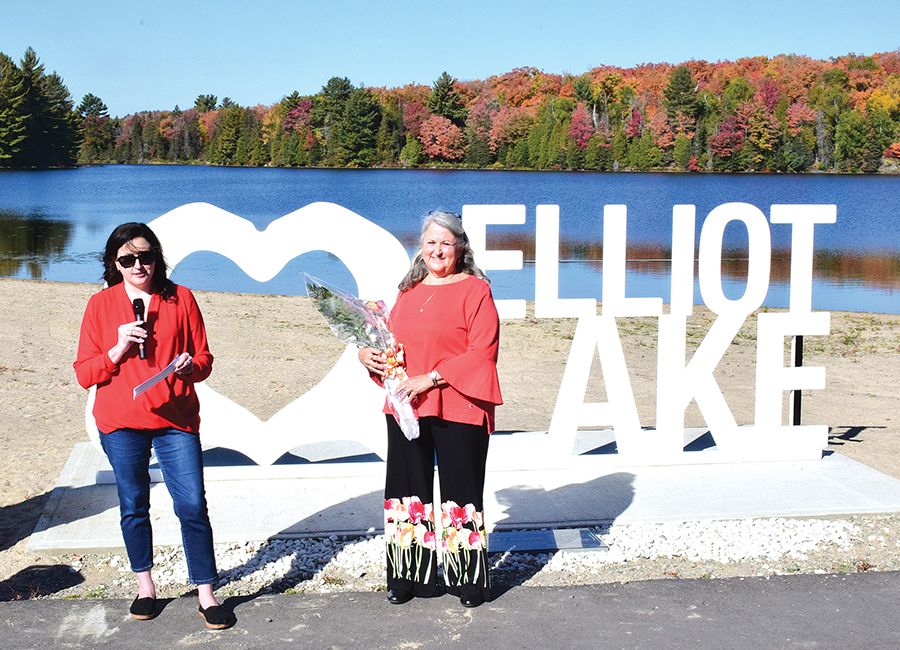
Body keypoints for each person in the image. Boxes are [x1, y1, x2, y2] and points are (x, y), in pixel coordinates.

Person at [73, 222, 232, 629]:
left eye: (145, 256)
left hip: (175, 420)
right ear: (115, 263)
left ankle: (206, 593)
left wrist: (188, 366)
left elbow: (205, 359)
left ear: (157, 257)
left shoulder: (181, 298)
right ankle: (146, 587)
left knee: (193, 505)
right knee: (133, 505)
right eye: (128, 259)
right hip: (120, 422)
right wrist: (119, 346)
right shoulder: (100, 306)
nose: (138, 265)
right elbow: (85, 373)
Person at [358, 210, 503, 608]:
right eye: (430, 242)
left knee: (461, 491)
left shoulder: (476, 290)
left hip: (459, 402)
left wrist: (432, 378)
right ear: (420, 247)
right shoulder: (409, 291)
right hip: (408, 405)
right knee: (407, 491)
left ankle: (467, 581)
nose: (438, 250)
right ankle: (410, 578)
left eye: (446, 242)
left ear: (460, 246)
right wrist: (369, 355)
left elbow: (483, 352)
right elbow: (394, 346)